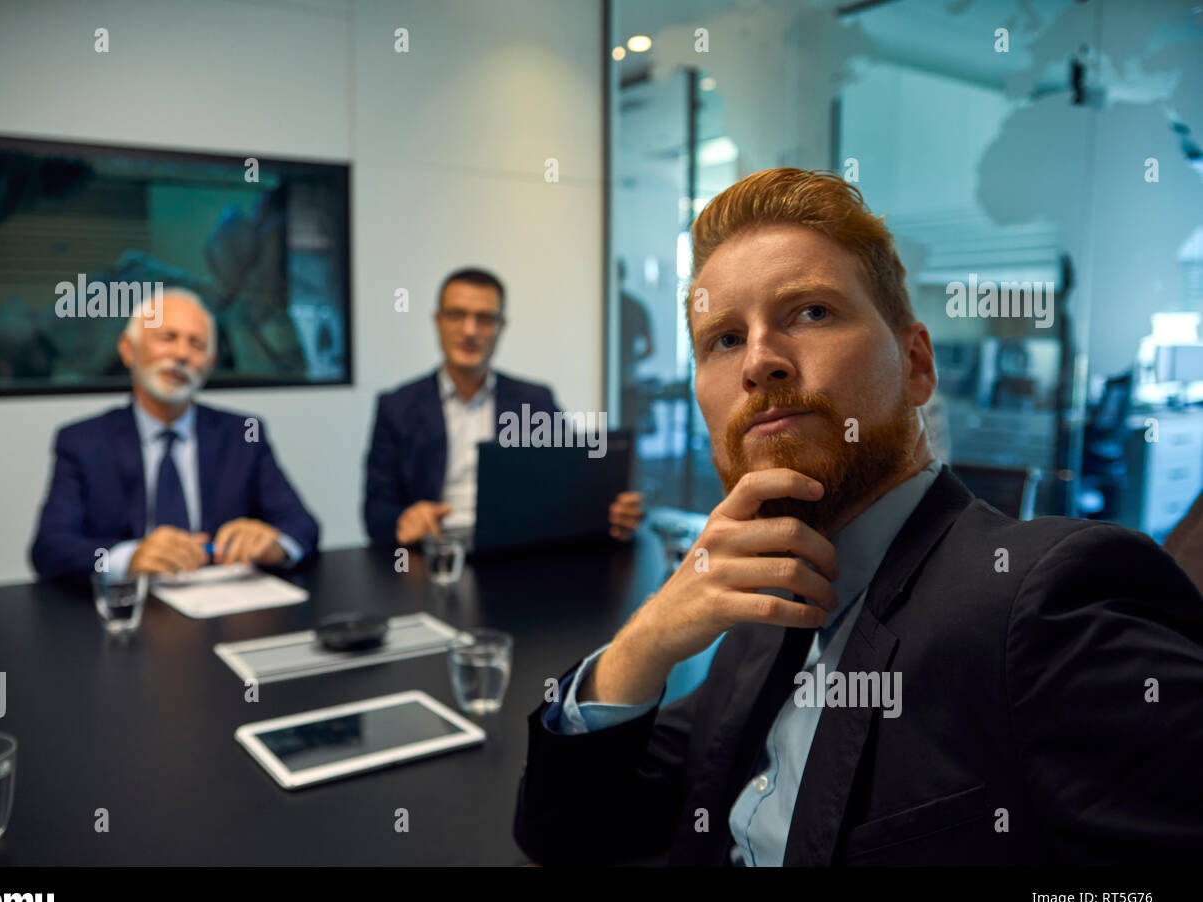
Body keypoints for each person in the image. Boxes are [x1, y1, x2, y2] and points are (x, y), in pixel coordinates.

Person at [513, 168, 1203, 866]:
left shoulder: (1051, 602)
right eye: (723, 338)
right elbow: (567, 836)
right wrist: (652, 637)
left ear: (916, 365)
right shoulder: (763, 599)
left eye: (811, 312)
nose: (759, 362)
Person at [30, 288, 319, 579]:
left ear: (209, 363)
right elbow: (51, 548)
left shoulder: (244, 433)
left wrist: (275, 545)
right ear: (129, 350)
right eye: (167, 338)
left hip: (223, 608)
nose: (181, 354)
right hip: (129, 609)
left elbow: (301, 526)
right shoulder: (83, 441)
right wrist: (128, 557)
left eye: (196, 344)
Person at [363, 267, 644, 546]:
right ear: (438, 321)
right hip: (432, 557)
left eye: (484, 319)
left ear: (501, 327)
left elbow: (575, 485)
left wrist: (619, 511)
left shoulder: (535, 402)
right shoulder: (396, 407)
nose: (470, 331)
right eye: (457, 315)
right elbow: (375, 511)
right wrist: (403, 520)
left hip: (517, 554)